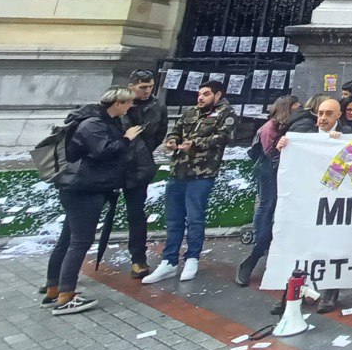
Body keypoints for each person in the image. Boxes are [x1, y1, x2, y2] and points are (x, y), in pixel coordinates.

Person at [42, 86, 142, 316]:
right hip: (84, 189)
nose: (130, 107)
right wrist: (127, 139)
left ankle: (54, 288)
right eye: (127, 103)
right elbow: (103, 151)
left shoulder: (101, 120)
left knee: (68, 238)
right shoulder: (93, 124)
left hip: (83, 187)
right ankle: (66, 295)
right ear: (117, 103)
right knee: (79, 242)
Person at [142, 80, 236, 285]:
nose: (201, 97)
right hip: (179, 170)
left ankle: (192, 258)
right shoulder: (190, 112)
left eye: (206, 94)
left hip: (201, 174)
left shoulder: (225, 114)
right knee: (173, 219)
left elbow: (222, 138)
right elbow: (176, 130)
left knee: (195, 218)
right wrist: (173, 141)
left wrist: (194, 144)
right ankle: (169, 261)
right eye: (199, 94)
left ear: (218, 95)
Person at [272, 96, 345, 314]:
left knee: (332, 248)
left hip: (334, 206)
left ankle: (329, 293)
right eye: (320, 113)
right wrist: (282, 149)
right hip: (305, 202)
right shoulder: (304, 139)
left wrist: (339, 148)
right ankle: (292, 292)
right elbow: (285, 168)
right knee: (299, 247)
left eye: (329, 114)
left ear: (338, 116)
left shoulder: (349, 139)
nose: (323, 118)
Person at [236, 94, 299, 287]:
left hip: (276, 172)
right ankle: (260, 236)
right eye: (296, 106)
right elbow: (269, 152)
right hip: (269, 172)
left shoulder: (284, 126)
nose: (299, 109)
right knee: (267, 204)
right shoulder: (270, 127)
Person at [122, 69, 168, 280]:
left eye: (150, 86)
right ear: (131, 86)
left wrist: (142, 153)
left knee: (136, 213)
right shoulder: (119, 103)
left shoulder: (157, 106)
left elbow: (159, 133)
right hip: (113, 162)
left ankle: (138, 258)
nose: (147, 91)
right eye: (143, 87)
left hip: (139, 166)